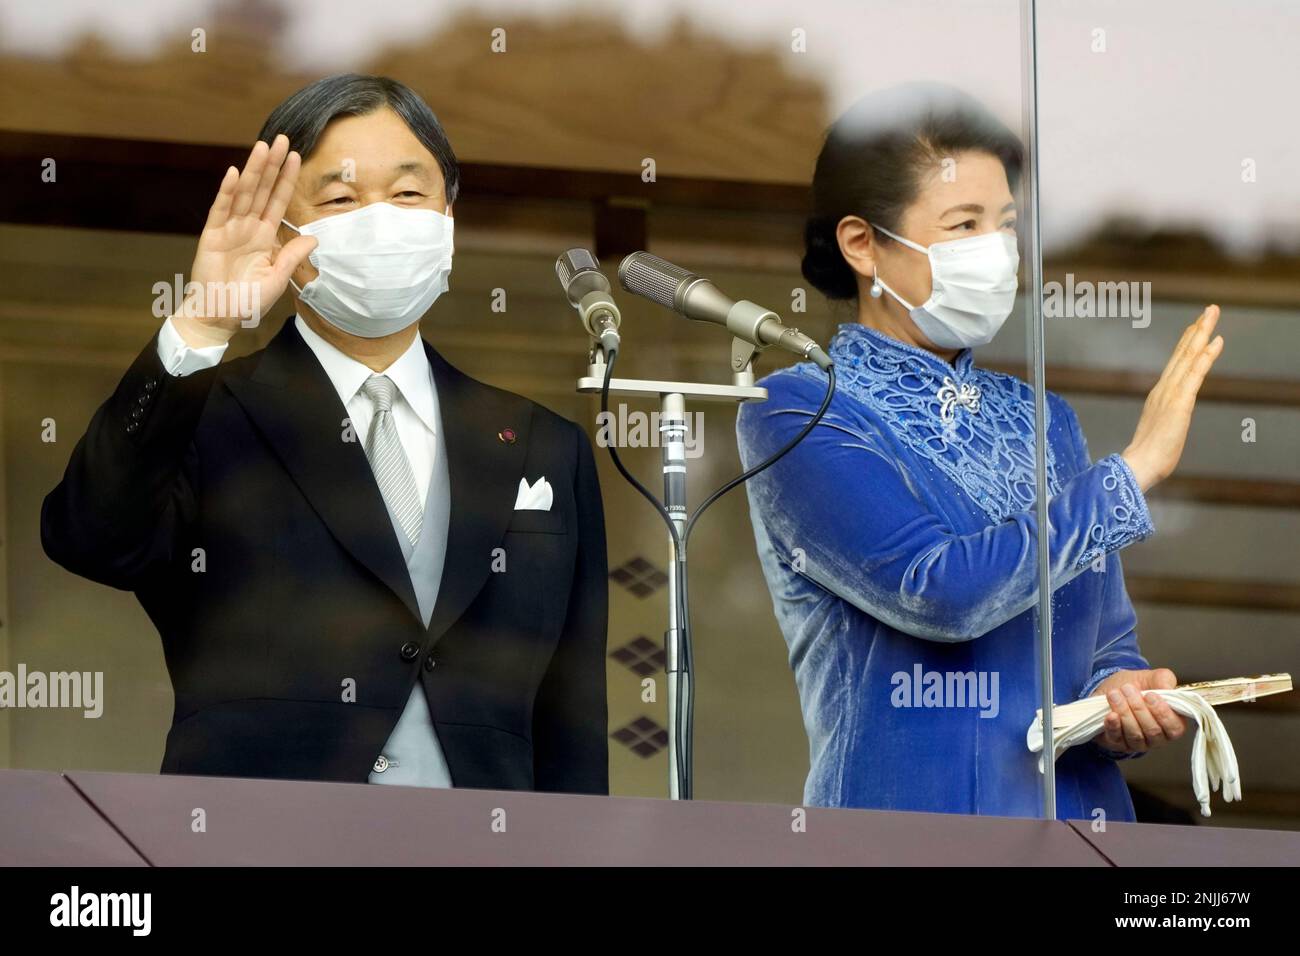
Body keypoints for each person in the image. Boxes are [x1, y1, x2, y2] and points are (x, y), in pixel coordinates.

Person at [41, 74, 609, 794]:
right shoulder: (208, 410)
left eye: (408, 195)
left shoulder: (542, 445)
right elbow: (91, 538)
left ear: (449, 213)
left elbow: (573, 717)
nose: (380, 219)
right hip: (257, 842)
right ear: (280, 228)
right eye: (340, 198)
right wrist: (204, 324)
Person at [736, 83, 1223, 819]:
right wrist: (1134, 470)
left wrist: (1119, 700)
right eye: (963, 225)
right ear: (862, 244)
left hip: (1080, 831)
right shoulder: (800, 410)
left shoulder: (1044, 420)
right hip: (910, 830)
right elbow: (938, 593)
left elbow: (1107, 645)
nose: (996, 251)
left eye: (1006, 224)